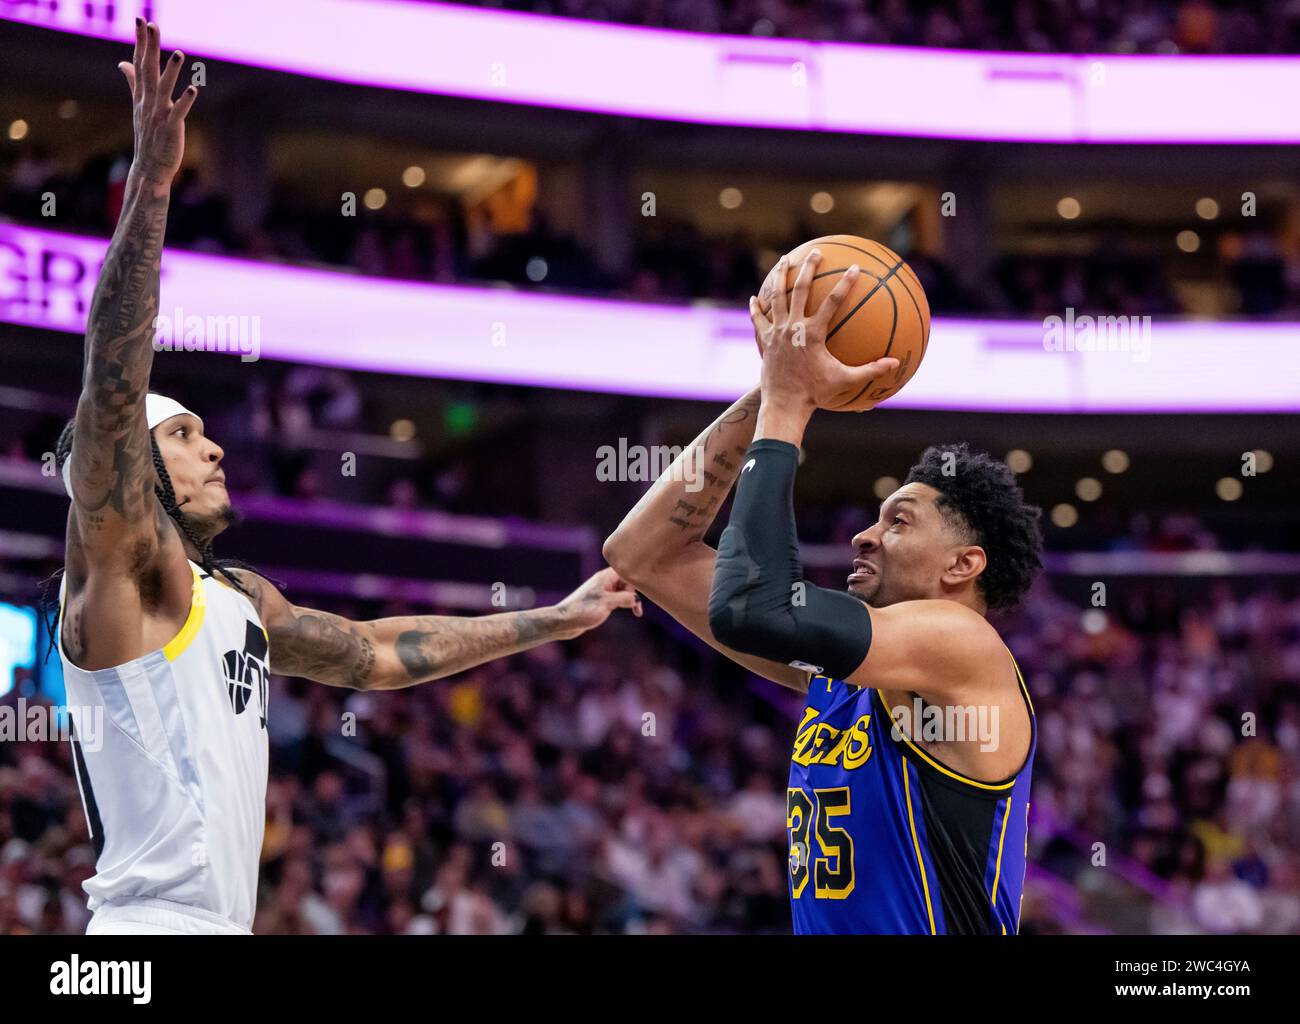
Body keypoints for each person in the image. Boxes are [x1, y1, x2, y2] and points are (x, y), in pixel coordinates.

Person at [51, 20, 639, 936]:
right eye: (189, 437)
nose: (214, 452)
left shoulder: (240, 598)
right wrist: (154, 190)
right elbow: (111, 378)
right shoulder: (122, 565)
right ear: (136, 466)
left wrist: (557, 620)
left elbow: (379, 653)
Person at [604, 250, 1044, 933]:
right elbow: (640, 554)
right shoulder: (854, 676)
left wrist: (788, 402)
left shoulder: (962, 647)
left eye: (898, 521)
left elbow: (753, 607)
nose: (864, 537)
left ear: (963, 565)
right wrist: (776, 383)